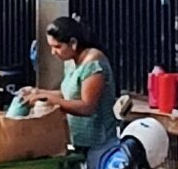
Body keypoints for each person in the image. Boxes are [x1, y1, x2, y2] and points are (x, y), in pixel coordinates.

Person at [21, 15, 118, 157]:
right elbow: (66, 95)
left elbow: (87, 107)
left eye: (57, 47)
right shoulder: (71, 62)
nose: (53, 53)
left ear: (73, 43)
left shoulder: (93, 64)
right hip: (78, 141)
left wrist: (52, 101)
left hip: (99, 145)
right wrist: (37, 93)